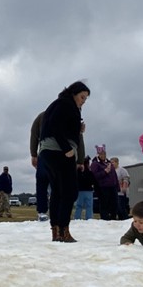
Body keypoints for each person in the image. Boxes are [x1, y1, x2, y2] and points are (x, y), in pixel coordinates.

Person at [38, 81, 89, 243]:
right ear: (74, 93)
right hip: (59, 151)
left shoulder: (59, 104)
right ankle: (63, 230)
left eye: (85, 99)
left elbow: (56, 124)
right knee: (69, 191)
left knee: (58, 192)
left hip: (48, 151)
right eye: (82, 97)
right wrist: (66, 147)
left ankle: (57, 231)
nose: (83, 101)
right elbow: (54, 125)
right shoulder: (65, 104)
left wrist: (76, 129)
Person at [91, 146, 119, 221]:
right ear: (98, 154)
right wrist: (105, 172)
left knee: (115, 203)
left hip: (112, 187)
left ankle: (113, 218)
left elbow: (114, 175)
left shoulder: (109, 163)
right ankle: (105, 219)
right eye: (101, 154)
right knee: (104, 204)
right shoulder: (95, 164)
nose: (103, 155)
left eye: (104, 154)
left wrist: (117, 186)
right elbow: (94, 176)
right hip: (102, 187)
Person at [74, 156, 96, 220]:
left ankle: (77, 218)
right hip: (88, 191)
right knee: (89, 206)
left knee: (79, 206)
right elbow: (93, 181)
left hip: (80, 191)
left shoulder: (77, 172)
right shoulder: (90, 172)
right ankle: (89, 218)